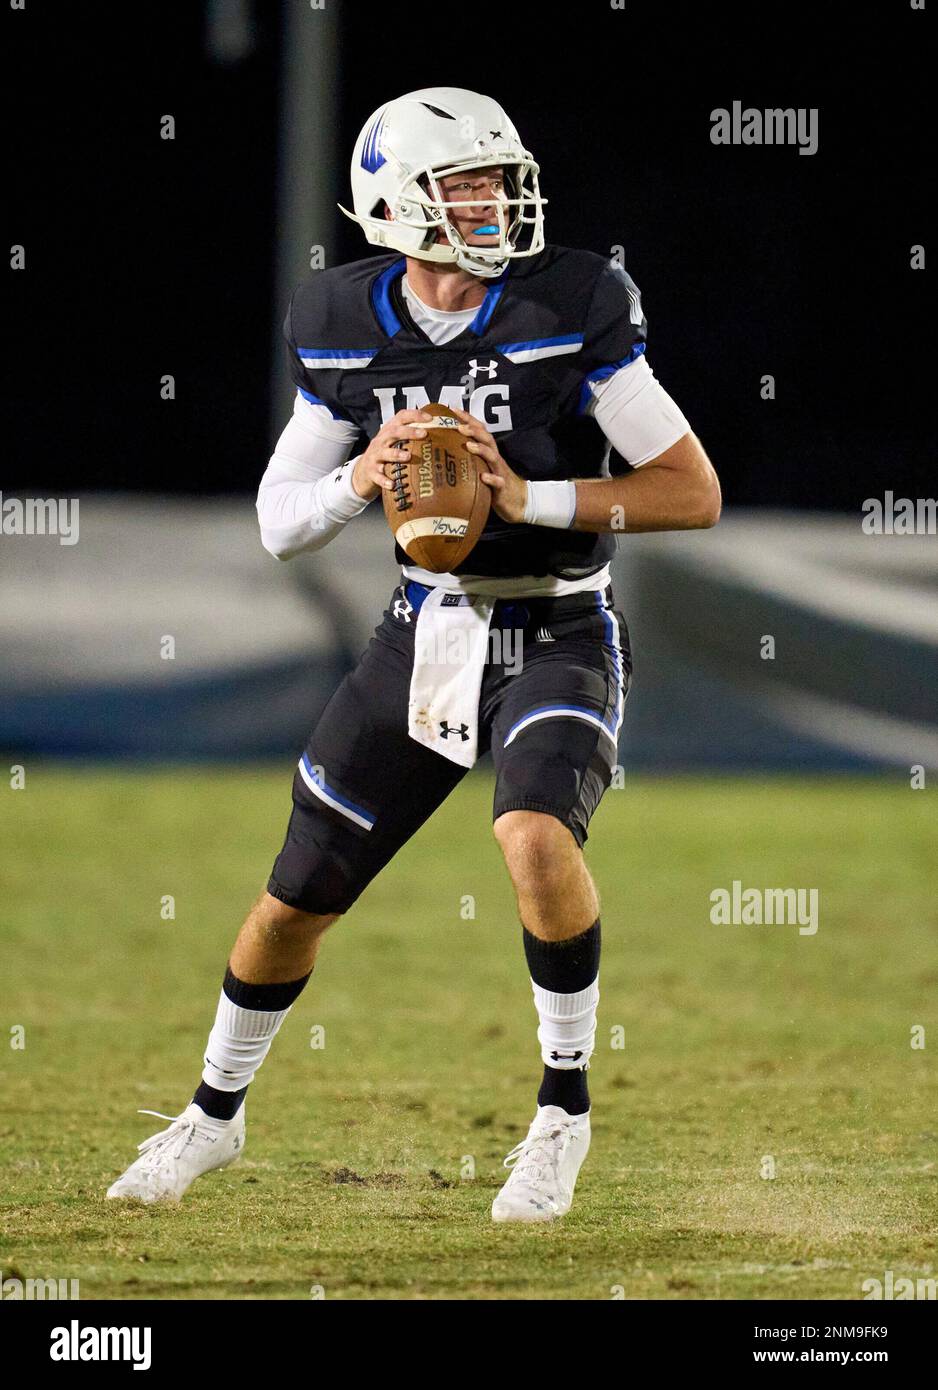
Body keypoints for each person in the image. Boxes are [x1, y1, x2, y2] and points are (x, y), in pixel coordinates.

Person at [107, 87, 720, 1222]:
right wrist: (365, 469)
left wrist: (519, 490)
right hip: (422, 629)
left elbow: (691, 490)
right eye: (469, 185)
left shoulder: (570, 301)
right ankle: (211, 1116)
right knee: (293, 901)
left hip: (557, 621)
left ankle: (559, 1114)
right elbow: (280, 521)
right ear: (398, 205)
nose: (496, 204)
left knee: (532, 834)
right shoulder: (341, 319)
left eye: (501, 180)